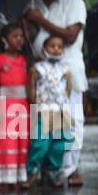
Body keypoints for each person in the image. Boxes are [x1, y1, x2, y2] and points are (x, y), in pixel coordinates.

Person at [23, 0, 86, 186]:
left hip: (68, 72)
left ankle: (70, 169)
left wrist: (41, 21)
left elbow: (70, 36)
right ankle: (47, 169)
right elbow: (25, 38)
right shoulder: (33, 5)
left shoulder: (75, 3)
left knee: (71, 123)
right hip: (42, 77)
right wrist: (30, 19)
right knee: (44, 130)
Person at [0, 21, 30, 190]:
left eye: (21, 36)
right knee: (4, 141)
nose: (19, 39)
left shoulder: (24, 60)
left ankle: (18, 176)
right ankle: (1, 177)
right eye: (15, 36)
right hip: (5, 104)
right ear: (4, 40)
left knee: (20, 141)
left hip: (22, 106)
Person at [28, 34, 71, 185]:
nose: (56, 49)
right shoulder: (37, 69)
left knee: (59, 143)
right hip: (43, 109)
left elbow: (68, 90)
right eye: (52, 46)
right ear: (44, 49)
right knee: (41, 142)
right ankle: (32, 169)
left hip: (60, 110)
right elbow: (31, 90)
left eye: (60, 47)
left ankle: (53, 170)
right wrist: (34, 107)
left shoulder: (65, 70)